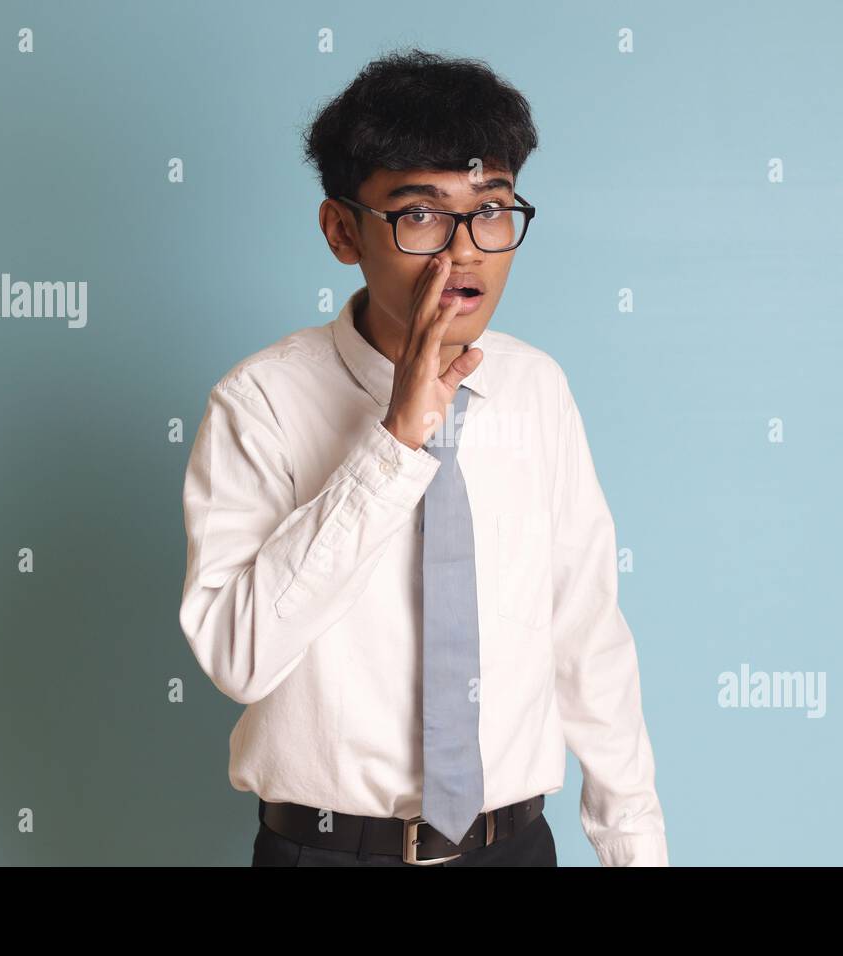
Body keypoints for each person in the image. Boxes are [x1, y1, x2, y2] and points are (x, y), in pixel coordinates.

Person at [178, 48, 668, 867]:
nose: (465, 252)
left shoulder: (536, 389)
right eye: (421, 215)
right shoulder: (259, 402)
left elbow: (587, 637)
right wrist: (393, 446)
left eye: (492, 210)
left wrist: (636, 850)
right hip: (329, 853)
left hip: (513, 847)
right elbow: (240, 655)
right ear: (342, 231)